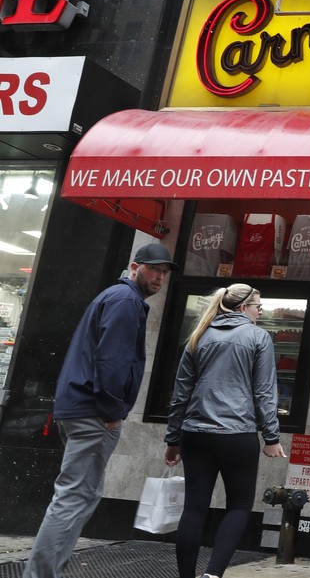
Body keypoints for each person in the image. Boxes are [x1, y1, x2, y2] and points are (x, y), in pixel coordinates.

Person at [24, 244, 176, 578]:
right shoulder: (125, 301)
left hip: (80, 409)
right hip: (93, 413)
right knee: (74, 497)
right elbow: (112, 361)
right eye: (154, 269)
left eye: (164, 272)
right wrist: (111, 411)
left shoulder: (117, 298)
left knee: (83, 495)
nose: (160, 277)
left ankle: (46, 571)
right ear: (134, 267)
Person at [163, 283, 286, 578]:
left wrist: (173, 438)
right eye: (258, 306)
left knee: (194, 508)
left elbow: (181, 393)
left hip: (195, 433)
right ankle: (213, 574)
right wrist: (271, 437)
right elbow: (264, 392)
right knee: (239, 505)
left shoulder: (199, 335)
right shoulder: (258, 337)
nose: (260, 312)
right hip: (237, 434)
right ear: (243, 307)